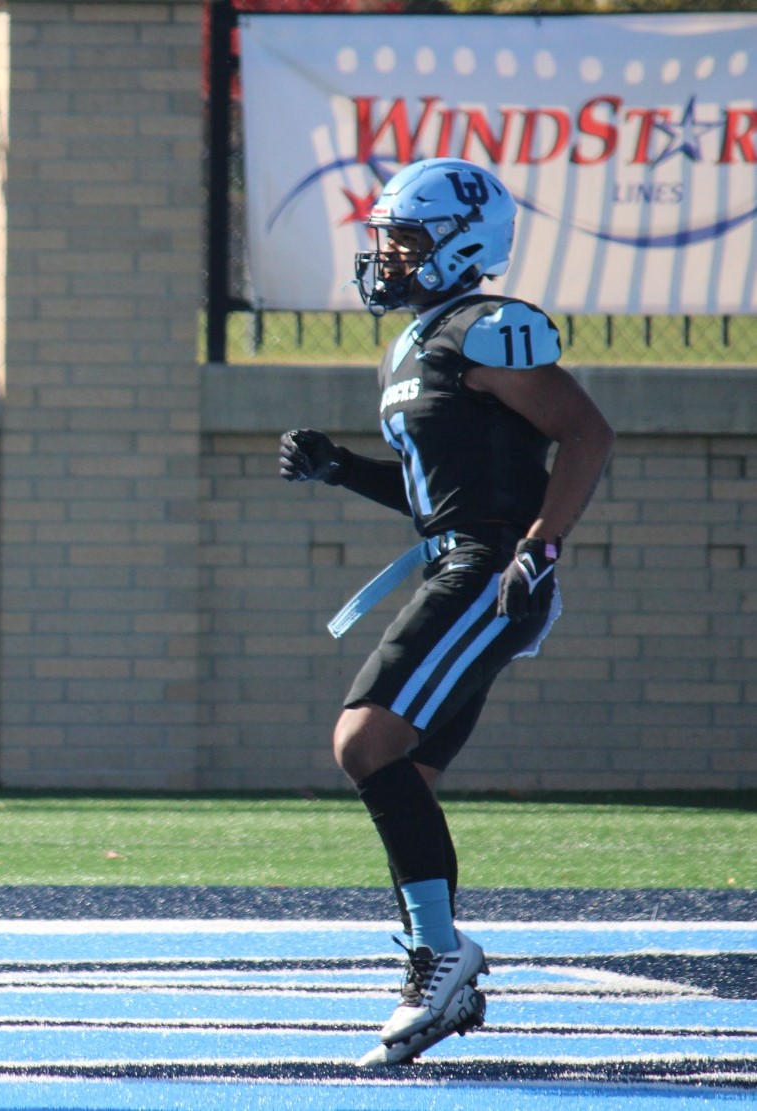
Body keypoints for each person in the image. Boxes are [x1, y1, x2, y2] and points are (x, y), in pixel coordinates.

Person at [280, 157, 614, 1066]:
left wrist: (542, 543)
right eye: (385, 240)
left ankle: (438, 956)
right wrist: (341, 469)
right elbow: (444, 495)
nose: (385, 256)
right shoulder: (419, 342)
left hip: (490, 569)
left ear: (462, 243)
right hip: (460, 557)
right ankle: (438, 971)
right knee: (402, 776)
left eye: (404, 240)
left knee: (364, 741)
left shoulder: (488, 326)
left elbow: (585, 431)